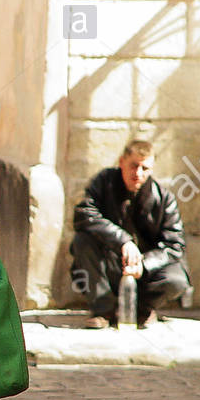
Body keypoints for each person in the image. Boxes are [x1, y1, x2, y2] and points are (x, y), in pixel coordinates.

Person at [70, 139, 189, 329]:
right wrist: (123, 241)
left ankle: (143, 309)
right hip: (110, 266)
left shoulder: (164, 198)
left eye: (145, 168)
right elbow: (84, 215)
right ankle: (104, 310)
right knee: (82, 241)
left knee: (177, 280)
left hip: (144, 273)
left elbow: (174, 245)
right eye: (134, 166)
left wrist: (144, 263)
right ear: (121, 162)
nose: (138, 174)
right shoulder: (103, 183)